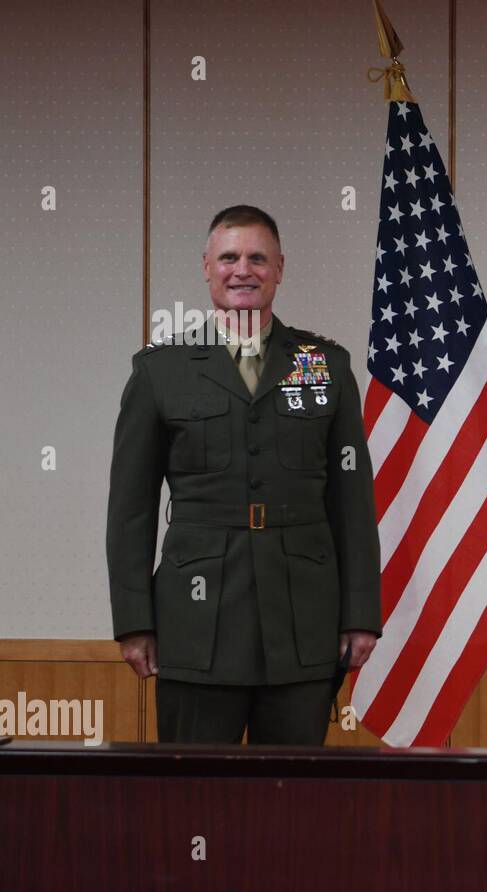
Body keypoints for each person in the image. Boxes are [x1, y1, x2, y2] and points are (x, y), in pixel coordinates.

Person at [106, 205, 382, 745]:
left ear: (280, 268)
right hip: (196, 622)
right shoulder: (159, 372)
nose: (243, 270)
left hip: (303, 619)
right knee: (195, 798)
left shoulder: (325, 366)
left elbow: (353, 502)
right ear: (206, 267)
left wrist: (361, 614)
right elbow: (131, 508)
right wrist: (134, 619)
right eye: (229, 257)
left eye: (258, 258)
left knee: (293, 804)